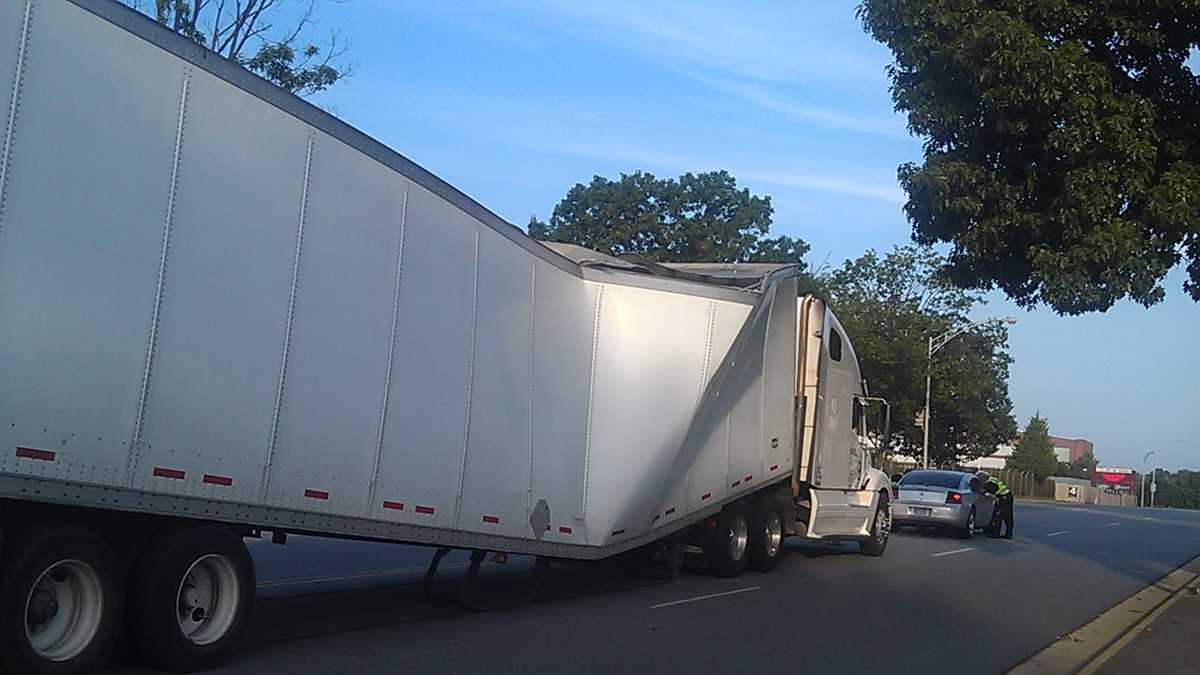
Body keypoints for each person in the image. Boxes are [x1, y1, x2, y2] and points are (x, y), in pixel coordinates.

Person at [977, 471, 1013, 538]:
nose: (979, 480)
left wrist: (982, 492)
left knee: (999, 515)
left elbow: (986, 491)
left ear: (983, 478)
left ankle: (996, 534)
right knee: (1006, 515)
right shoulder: (992, 479)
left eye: (979, 478)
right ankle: (1008, 534)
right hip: (1005, 496)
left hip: (1004, 497)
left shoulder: (990, 483)